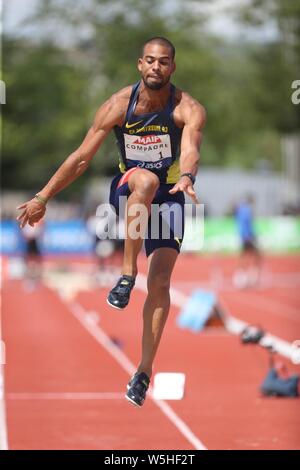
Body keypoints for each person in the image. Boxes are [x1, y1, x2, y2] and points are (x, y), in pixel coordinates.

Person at [16, 37, 206, 407]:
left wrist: (187, 178)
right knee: (146, 180)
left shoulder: (188, 108)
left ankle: (144, 371)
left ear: (172, 68)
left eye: (163, 62)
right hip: (129, 188)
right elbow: (82, 157)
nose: (156, 67)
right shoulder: (120, 105)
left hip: (169, 197)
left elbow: (191, 148)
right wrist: (43, 196)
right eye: (150, 61)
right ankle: (126, 275)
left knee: (163, 281)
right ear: (140, 65)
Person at [233, 194, 262, 289]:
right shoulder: (247, 210)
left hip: (242, 236)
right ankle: (250, 277)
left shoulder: (240, 209)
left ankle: (241, 276)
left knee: (244, 256)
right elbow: (248, 224)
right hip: (248, 237)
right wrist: (252, 236)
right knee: (257, 256)